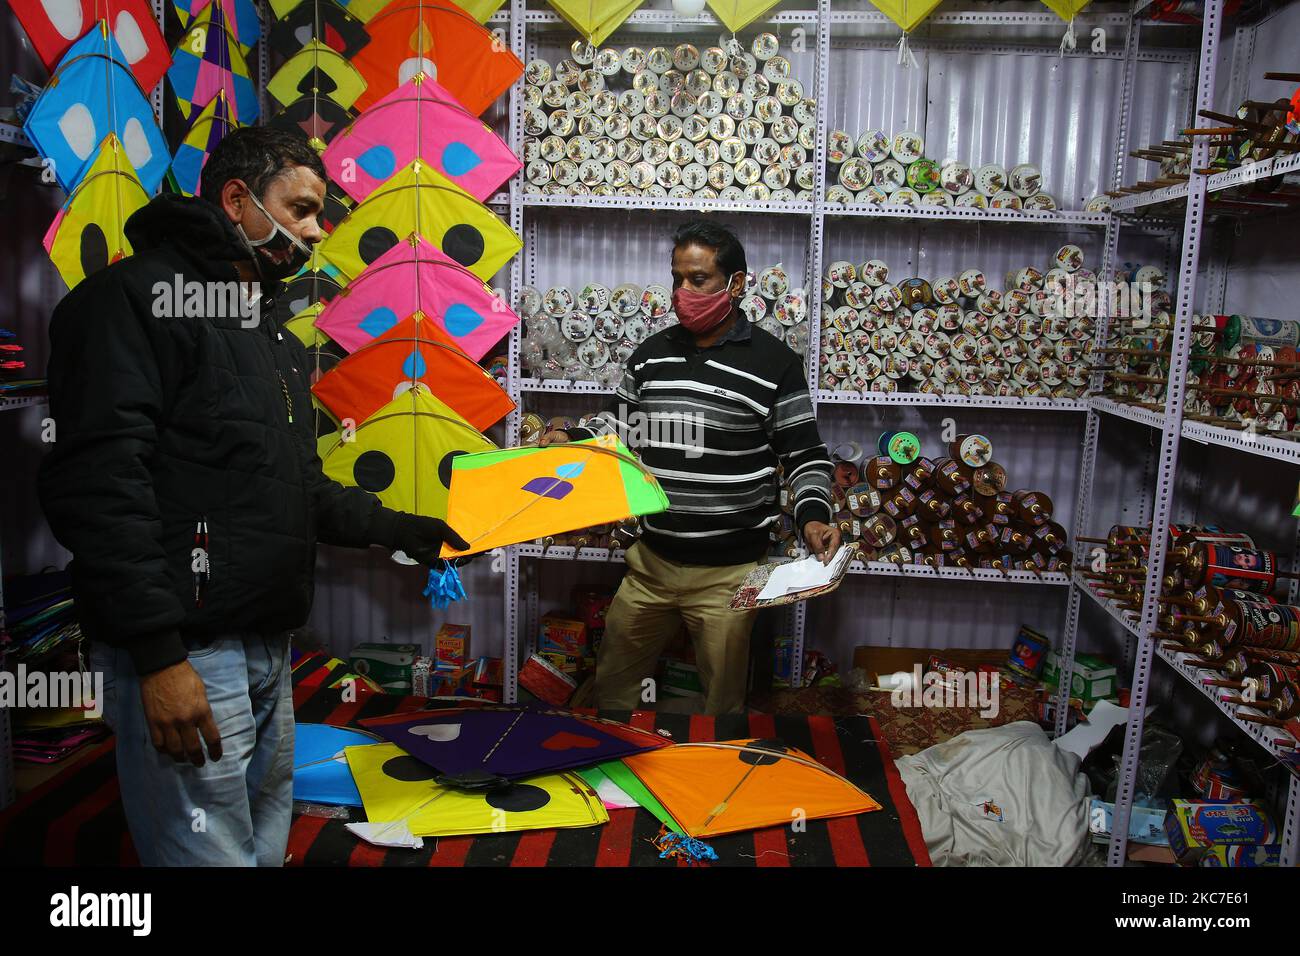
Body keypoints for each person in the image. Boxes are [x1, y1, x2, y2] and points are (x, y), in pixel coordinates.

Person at [38, 127, 467, 866]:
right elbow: (101, 487)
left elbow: (298, 489)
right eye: (298, 209)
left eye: (319, 215)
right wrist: (157, 656)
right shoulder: (128, 302)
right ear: (237, 199)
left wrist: (422, 530)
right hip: (189, 651)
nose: (313, 231)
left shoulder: (271, 336)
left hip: (267, 643)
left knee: (262, 850)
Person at [541, 220, 839, 715]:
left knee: (722, 708)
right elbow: (617, 428)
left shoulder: (775, 363)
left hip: (729, 575)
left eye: (697, 279)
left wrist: (812, 515)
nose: (683, 292)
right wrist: (571, 437)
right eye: (677, 278)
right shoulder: (652, 355)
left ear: (736, 285)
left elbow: (805, 455)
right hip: (650, 566)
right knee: (611, 691)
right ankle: (608, 783)